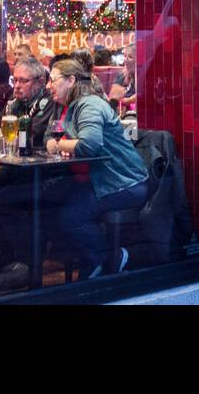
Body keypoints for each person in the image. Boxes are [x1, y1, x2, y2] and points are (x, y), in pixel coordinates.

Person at [45, 59, 149, 278]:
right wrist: (62, 144)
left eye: (52, 80)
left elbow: (89, 145)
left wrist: (60, 145)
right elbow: (56, 136)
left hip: (125, 183)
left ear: (71, 80)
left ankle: (104, 260)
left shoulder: (88, 105)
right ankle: (94, 261)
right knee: (53, 202)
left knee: (70, 215)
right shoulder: (76, 106)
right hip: (109, 179)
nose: (48, 86)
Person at [0, 58, 57, 289]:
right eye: (14, 80)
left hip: (47, 174)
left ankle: (24, 263)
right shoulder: (15, 103)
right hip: (19, 168)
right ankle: (6, 259)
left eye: (23, 81)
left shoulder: (46, 102)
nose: (16, 86)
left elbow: (34, 132)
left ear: (39, 82)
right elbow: (2, 129)